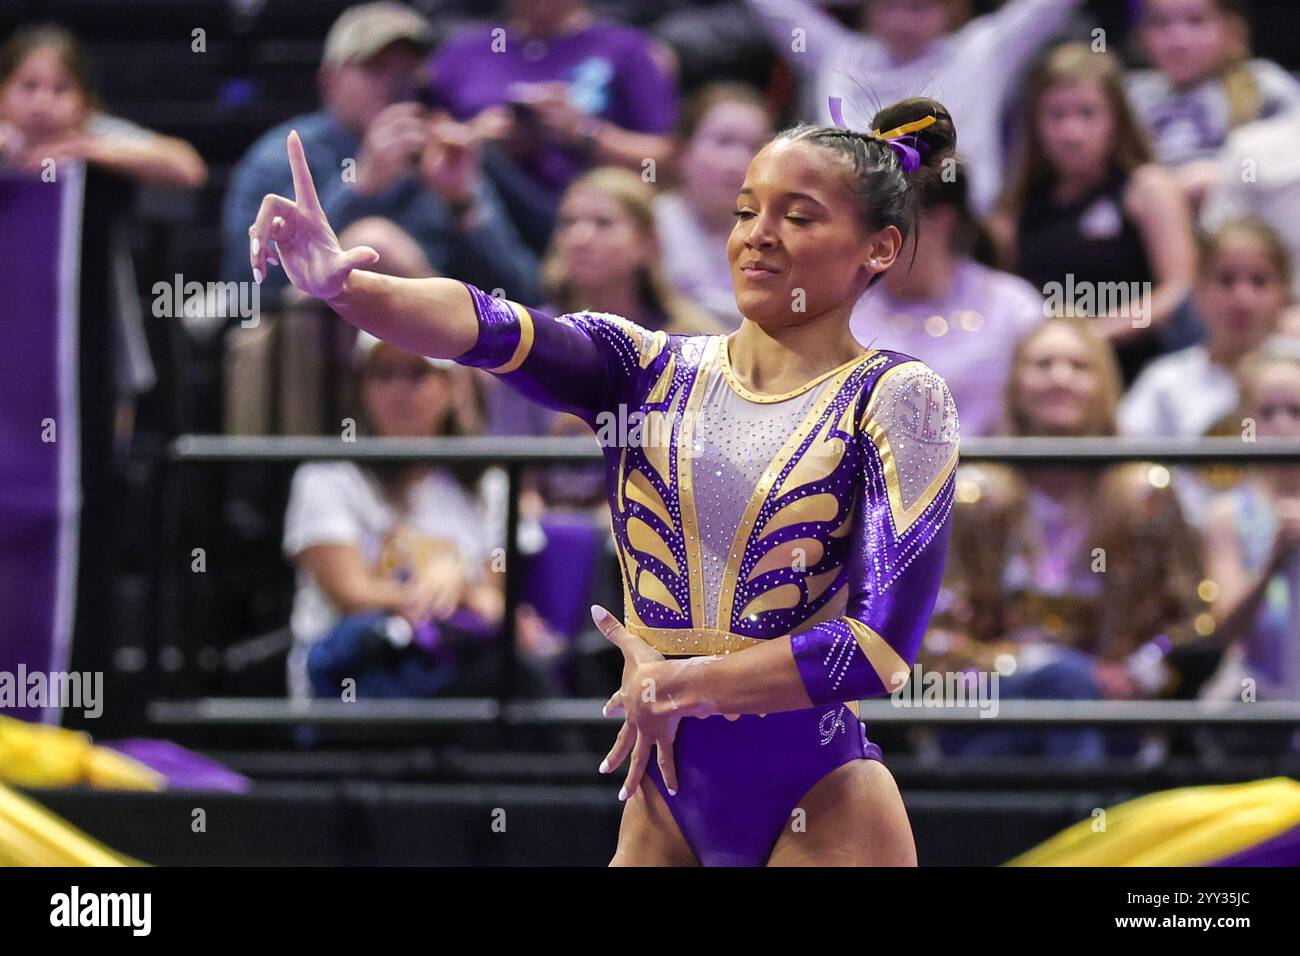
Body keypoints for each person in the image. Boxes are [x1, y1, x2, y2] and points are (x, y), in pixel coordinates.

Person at [247, 90, 962, 866]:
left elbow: (877, 651)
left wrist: (686, 685)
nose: (758, 235)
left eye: (798, 216)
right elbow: (484, 325)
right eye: (745, 210)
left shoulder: (897, 397)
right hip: (667, 800)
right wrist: (348, 288)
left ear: (879, 247)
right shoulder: (645, 369)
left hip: (820, 798)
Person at [927, 317, 1205, 760]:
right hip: (993, 700)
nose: (1060, 378)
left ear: (1105, 384)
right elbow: (933, 631)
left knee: (1075, 701)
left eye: (1078, 366)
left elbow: (1195, 619)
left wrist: (1140, 672)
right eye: (1043, 365)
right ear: (1015, 384)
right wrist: (1027, 665)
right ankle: (1081, 803)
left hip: (1111, 710)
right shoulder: (971, 496)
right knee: (1063, 682)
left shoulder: (1145, 495)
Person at [220, 2, 540, 305]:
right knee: (375, 241)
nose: (395, 86)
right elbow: (248, 285)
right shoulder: (285, 154)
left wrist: (463, 206)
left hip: (423, 338)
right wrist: (359, 187)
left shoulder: (442, 153)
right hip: (308, 329)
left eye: (408, 72)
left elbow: (521, 291)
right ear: (329, 82)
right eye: (376, 68)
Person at [282, 331, 507, 701]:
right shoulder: (324, 478)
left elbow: (494, 602)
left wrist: (459, 585)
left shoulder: (488, 484)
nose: (399, 392)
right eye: (384, 376)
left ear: (451, 388)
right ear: (363, 389)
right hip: (349, 687)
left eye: (417, 375)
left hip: (454, 685)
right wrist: (451, 592)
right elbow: (352, 594)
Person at [743, 0, 1082, 214]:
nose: (904, 21)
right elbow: (774, 8)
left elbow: (1046, 7)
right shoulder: (837, 57)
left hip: (959, 231)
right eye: (890, 6)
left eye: (919, 7)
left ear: (947, 9)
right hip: (855, 230)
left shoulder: (983, 53)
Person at [992, 43, 1196, 384]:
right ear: (1034, 124)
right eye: (1056, 115)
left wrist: (1089, 340)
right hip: (1048, 380)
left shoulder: (1146, 188)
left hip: (1139, 377)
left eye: (1087, 113)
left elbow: (1177, 291)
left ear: (1117, 120)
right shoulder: (1013, 210)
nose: (1071, 133)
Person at [426, 0, 681, 252]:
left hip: (589, 221)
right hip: (482, 214)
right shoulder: (468, 51)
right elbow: (425, 131)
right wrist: (477, 136)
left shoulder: (626, 49)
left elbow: (664, 163)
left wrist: (586, 134)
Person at [849, 155, 1043, 436]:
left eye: (888, 223)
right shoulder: (847, 309)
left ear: (942, 221)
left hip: (992, 460)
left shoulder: (1012, 307)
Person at [1121, 217, 1292, 438]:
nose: (1242, 299)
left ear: (1285, 293)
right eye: (1226, 280)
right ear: (1197, 289)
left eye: (1259, 281)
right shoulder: (1164, 382)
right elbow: (1128, 455)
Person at [1128, 0, 1300, 208]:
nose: (1177, 41)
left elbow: (1292, 154)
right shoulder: (1133, 94)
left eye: (1196, 21)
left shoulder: (1261, 83)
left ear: (1232, 30)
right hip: (1152, 212)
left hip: (1243, 209)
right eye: (1161, 23)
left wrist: (1224, 175)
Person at [653, 82, 776, 329]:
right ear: (683, 151)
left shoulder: (779, 237)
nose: (738, 162)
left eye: (755, 148)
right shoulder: (649, 227)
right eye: (723, 142)